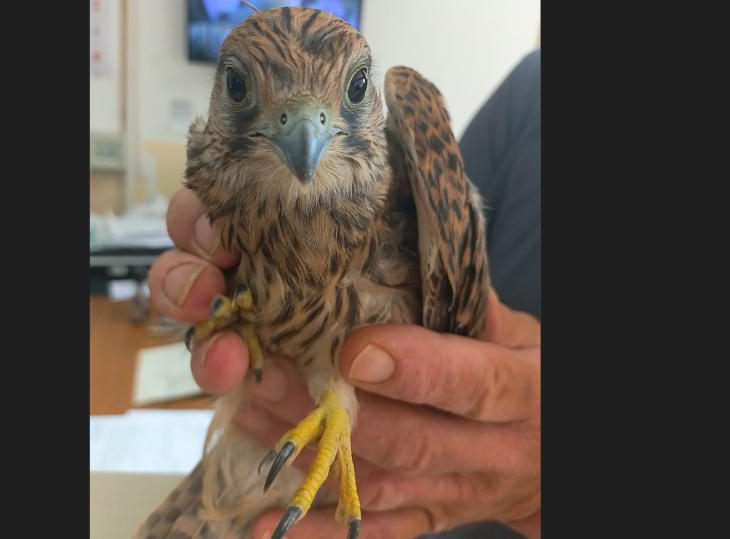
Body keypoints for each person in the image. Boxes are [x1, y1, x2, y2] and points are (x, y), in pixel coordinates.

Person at [148, 49, 541, 539]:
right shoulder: (531, 89)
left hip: (401, 486)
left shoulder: (417, 116)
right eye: (239, 90)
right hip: (283, 428)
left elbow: (458, 297)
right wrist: (230, 287)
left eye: (354, 91)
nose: (304, 132)